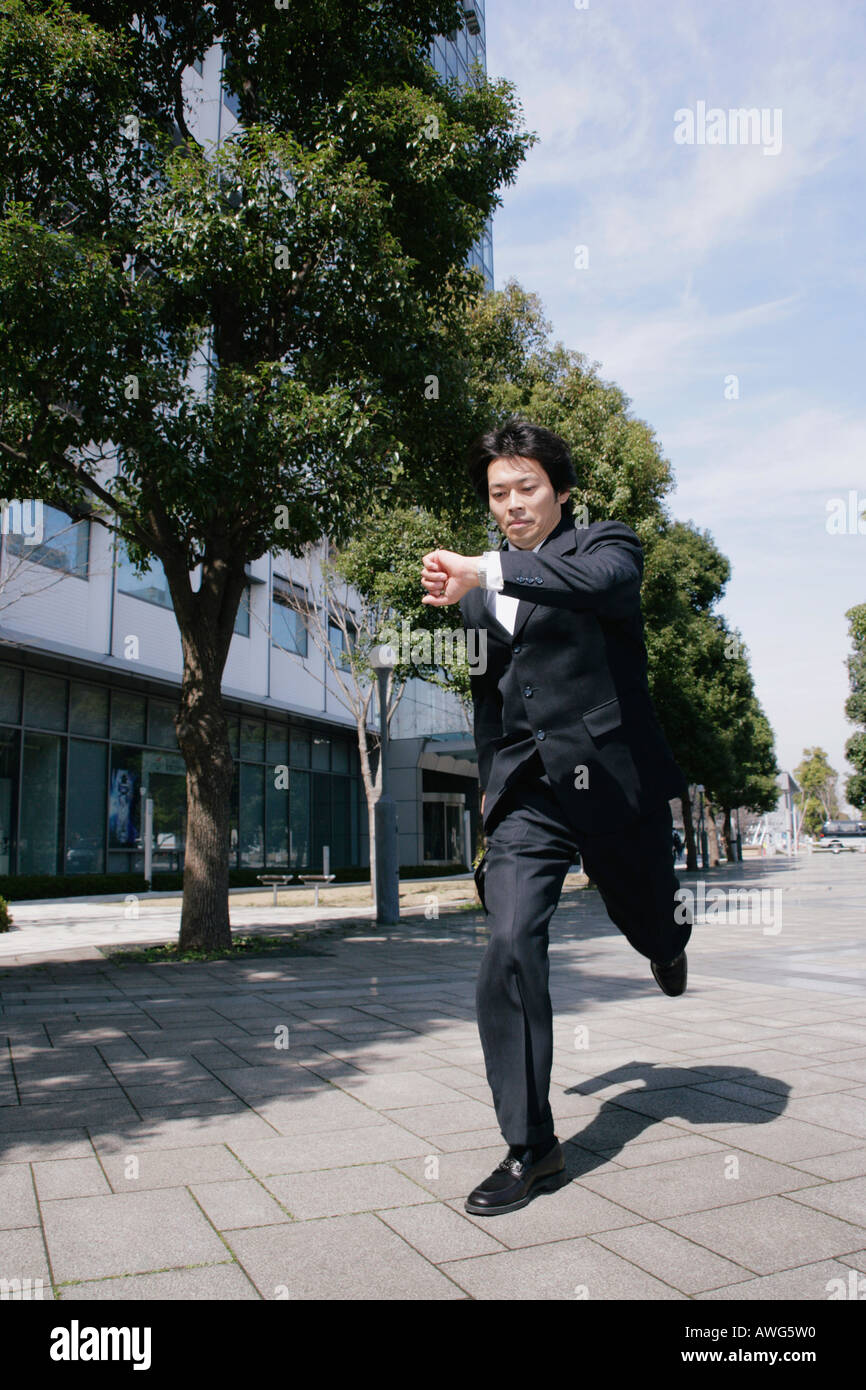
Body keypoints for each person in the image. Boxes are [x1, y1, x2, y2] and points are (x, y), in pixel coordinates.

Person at [420, 418, 693, 1216]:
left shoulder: (609, 547)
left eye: (527, 488)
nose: (511, 504)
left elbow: (593, 588)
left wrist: (484, 571)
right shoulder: (478, 599)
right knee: (507, 942)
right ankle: (531, 1147)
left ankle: (666, 944)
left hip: (611, 780)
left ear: (561, 493)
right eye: (498, 494)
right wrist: (486, 786)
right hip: (527, 794)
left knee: (649, 913)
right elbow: (485, 697)